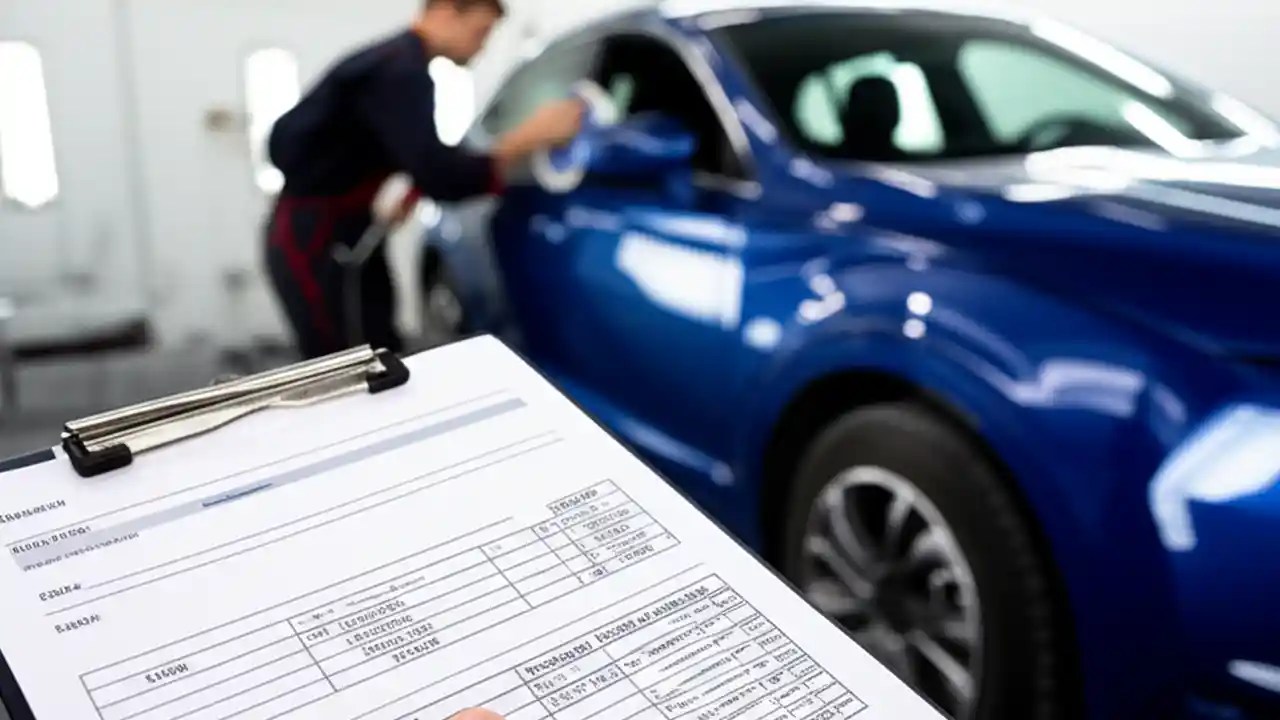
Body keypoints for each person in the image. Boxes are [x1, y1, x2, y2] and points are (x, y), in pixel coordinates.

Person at [264, 0, 583, 359]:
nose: (482, 47)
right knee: (344, 366)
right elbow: (442, 175)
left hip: (342, 231)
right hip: (316, 241)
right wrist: (527, 138)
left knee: (376, 346)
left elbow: (396, 147)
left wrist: (399, 184)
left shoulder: (390, 62)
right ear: (446, 11)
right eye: (481, 33)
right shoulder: (400, 71)